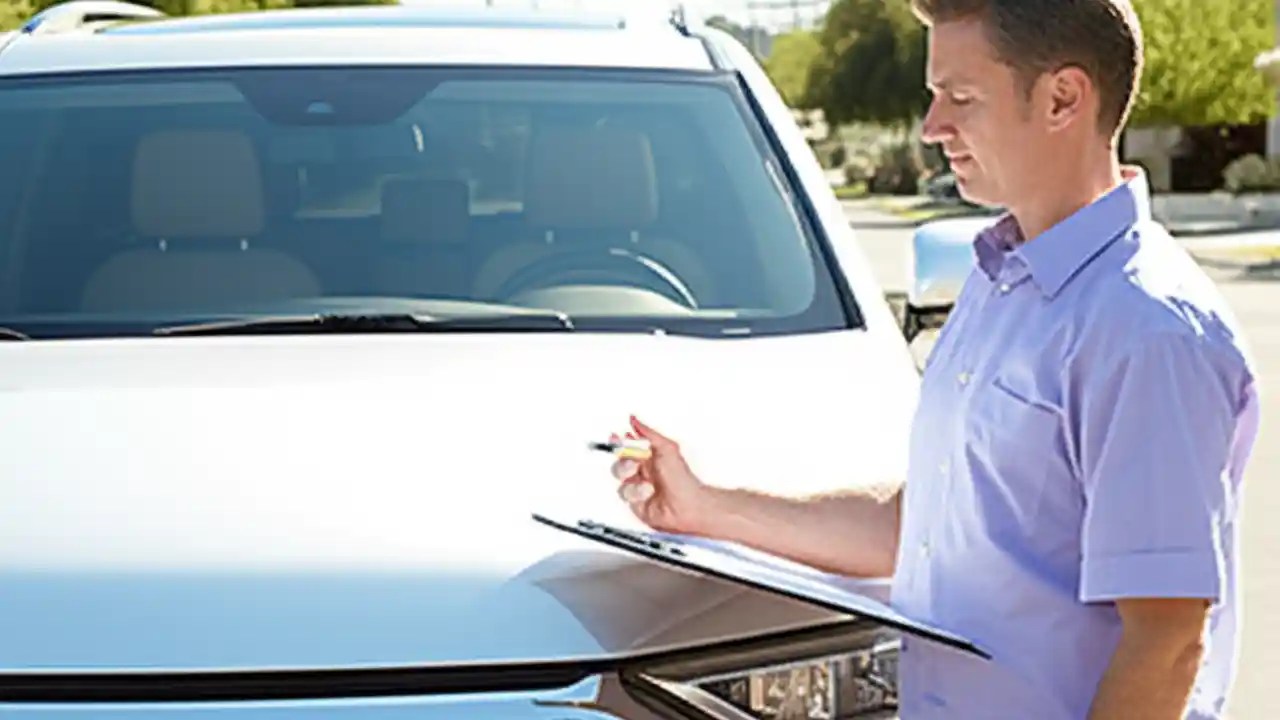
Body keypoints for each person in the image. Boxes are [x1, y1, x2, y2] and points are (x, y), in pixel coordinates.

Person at [607, 1, 1260, 718]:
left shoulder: (1150, 331)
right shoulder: (1000, 279)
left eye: (961, 97)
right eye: (933, 96)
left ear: (1063, 98)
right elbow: (923, 525)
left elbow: (1167, 640)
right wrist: (704, 505)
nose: (931, 127)